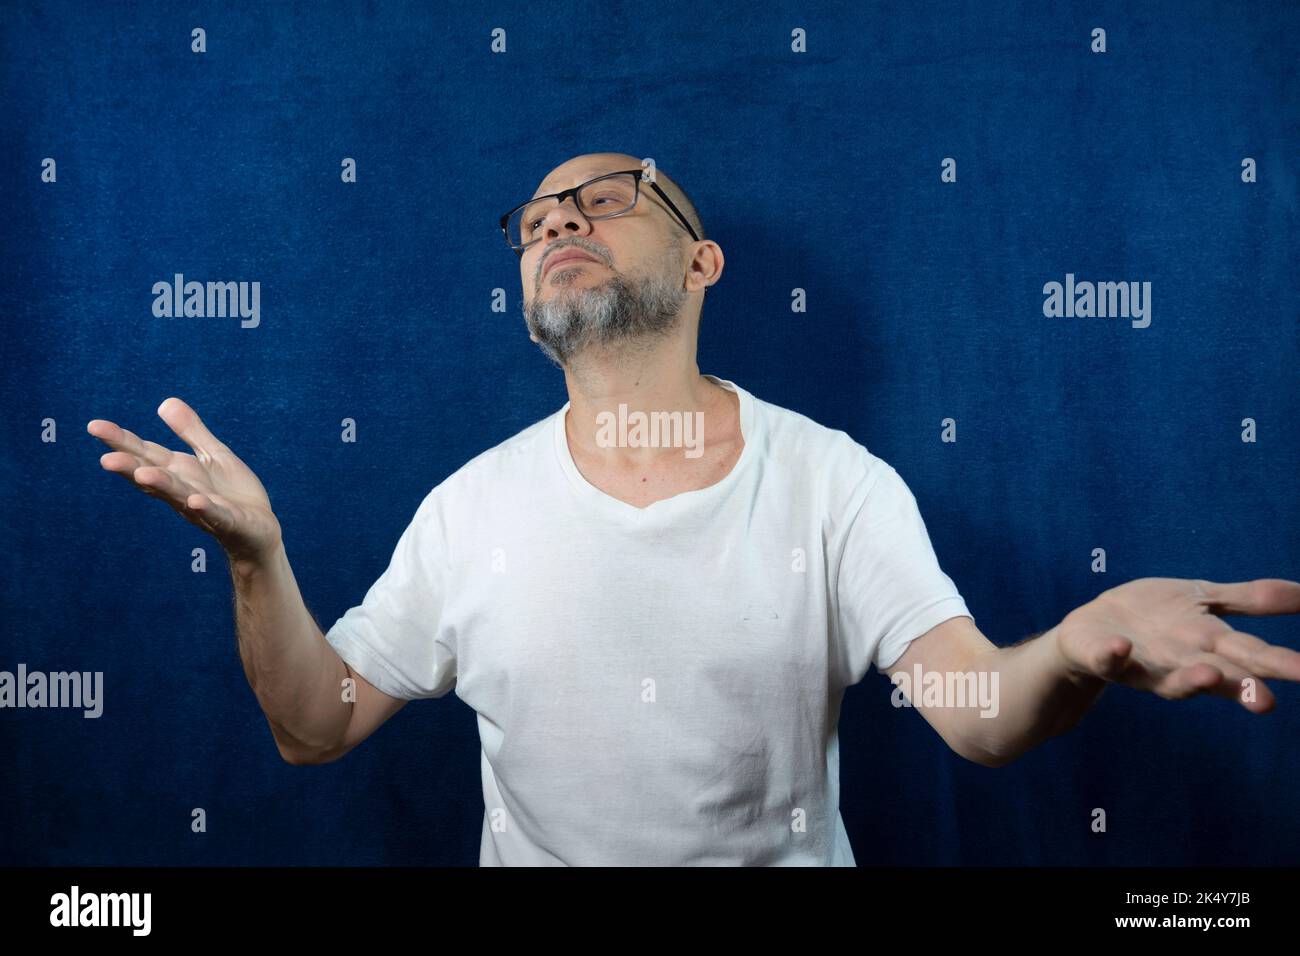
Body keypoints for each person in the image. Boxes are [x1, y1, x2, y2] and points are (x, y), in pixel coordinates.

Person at [88, 152, 1300, 866]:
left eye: (609, 198)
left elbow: (976, 715)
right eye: (536, 220)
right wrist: (259, 557)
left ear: (703, 263)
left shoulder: (835, 480)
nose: (558, 220)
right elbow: (315, 723)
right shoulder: (467, 509)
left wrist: (1078, 647)